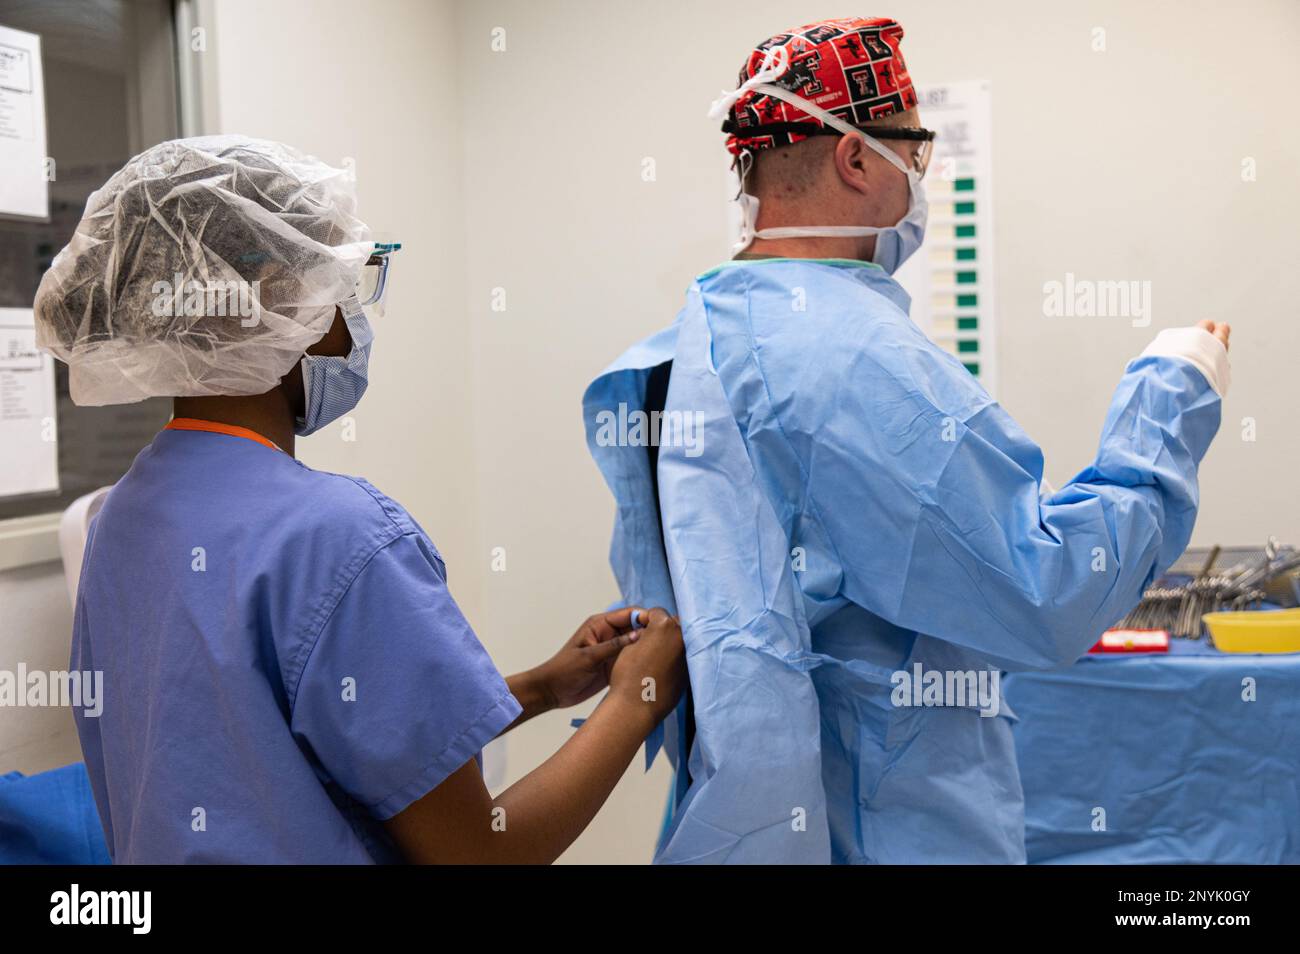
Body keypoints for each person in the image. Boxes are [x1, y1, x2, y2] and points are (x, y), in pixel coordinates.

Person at [582, 16, 1232, 864]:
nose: (918, 177)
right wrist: (1170, 400)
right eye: (912, 150)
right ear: (857, 157)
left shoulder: (708, 329)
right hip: (879, 822)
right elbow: (1046, 591)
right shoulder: (848, 355)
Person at [35, 135, 685, 864]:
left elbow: (274, 749)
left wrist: (535, 689)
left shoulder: (122, 516)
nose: (354, 316)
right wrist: (637, 700)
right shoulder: (339, 537)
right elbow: (482, 854)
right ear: (278, 296)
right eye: (341, 284)